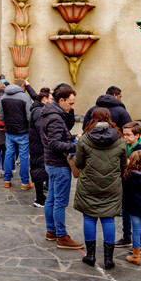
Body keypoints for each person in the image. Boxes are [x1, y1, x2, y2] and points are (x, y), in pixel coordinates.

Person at [72, 106, 127, 270]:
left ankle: (90, 255)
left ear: (92, 119)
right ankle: (109, 259)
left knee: (89, 217)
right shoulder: (120, 140)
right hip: (112, 186)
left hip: (89, 185)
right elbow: (123, 165)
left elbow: (79, 163)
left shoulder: (84, 139)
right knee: (108, 218)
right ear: (109, 119)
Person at [38, 85, 82, 250]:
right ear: (61, 100)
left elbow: (54, 136)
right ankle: (62, 236)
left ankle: (51, 231)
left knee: (51, 198)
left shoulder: (49, 113)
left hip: (51, 162)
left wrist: (70, 136)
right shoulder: (55, 117)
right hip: (58, 164)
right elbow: (55, 143)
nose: (72, 107)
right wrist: (75, 146)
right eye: (70, 104)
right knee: (60, 202)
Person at [0, 81, 39, 190]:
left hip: (9, 131)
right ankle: (25, 182)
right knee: (24, 157)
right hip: (23, 132)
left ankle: (7, 181)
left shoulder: (3, 97)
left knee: (9, 154)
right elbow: (29, 116)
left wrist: (7, 122)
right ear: (22, 86)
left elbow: (0, 115)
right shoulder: (25, 98)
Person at [118, 121, 141, 246]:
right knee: (125, 210)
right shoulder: (125, 144)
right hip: (126, 181)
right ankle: (126, 237)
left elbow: (136, 165)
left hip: (137, 184)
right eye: (124, 134)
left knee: (136, 214)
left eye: (128, 135)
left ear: (137, 136)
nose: (125, 137)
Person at [28, 88, 51, 209]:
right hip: (38, 145)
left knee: (40, 170)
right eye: (51, 99)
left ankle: (41, 197)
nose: (53, 101)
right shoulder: (38, 111)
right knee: (38, 170)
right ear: (44, 99)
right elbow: (41, 128)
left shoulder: (40, 109)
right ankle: (39, 198)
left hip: (37, 144)